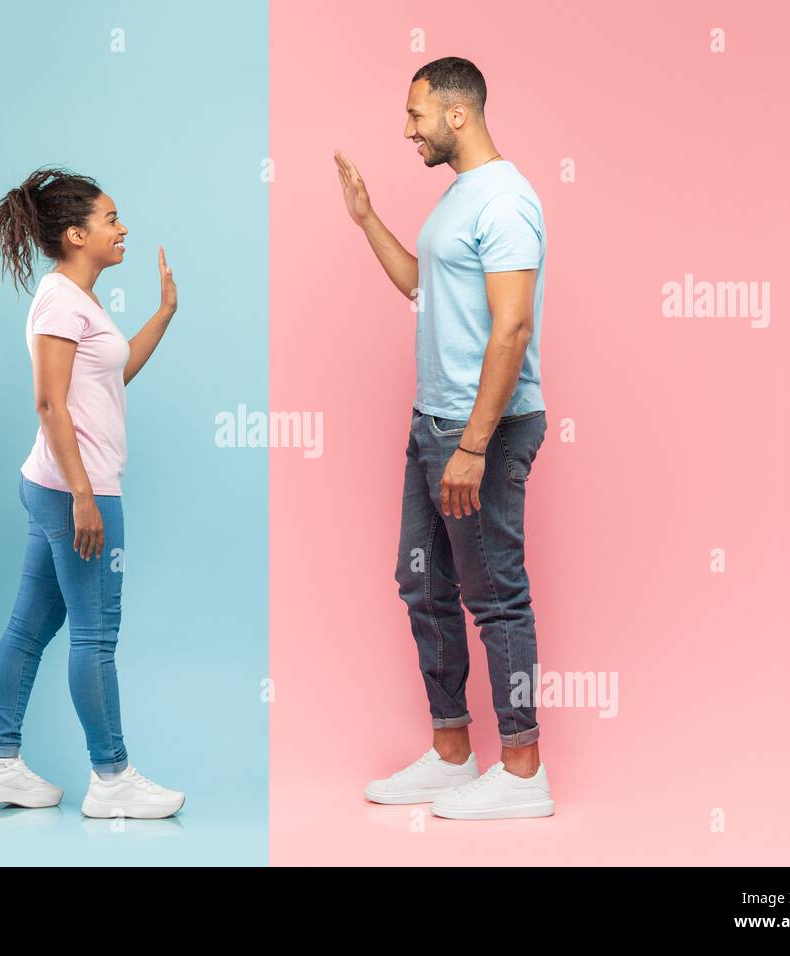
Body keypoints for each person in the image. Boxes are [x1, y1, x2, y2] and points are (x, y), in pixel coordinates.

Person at [336, 57, 555, 820]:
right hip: (435, 422)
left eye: (416, 115)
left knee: (497, 596)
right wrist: (365, 218)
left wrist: (473, 445)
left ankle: (524, 768)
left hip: (479, 431)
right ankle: (454, 752)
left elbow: (513, 326)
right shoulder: (457, 200)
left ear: (457, 114)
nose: (408, 130)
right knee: (424, 584)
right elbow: (421, 290)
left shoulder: (506, 200)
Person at [0, 166, 184, 819]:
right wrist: (85, 497)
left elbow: (110, 381)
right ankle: (111, 778)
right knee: (95, 636)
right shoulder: (61, 301)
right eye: (111, 219)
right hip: (75, 491)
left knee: (31, 627)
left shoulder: (79, 302)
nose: (123, 229)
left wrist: (164, 313)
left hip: (57, 486)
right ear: (75, 233)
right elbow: (48, 401)